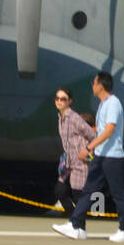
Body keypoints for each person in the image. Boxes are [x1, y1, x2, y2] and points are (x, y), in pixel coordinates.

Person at [53, 71, 124, 242]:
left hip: (112, 157)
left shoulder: (113, 104)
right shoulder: (103, 104)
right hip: (101, 155)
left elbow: (109, 130)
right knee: (88, 190)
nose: (92, 85)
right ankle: (77, 226)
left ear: (101, 86)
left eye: (94, 82)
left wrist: (89, 147)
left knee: (118, 193)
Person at [54, 86, 96, 216]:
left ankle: (78, 224)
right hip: (67, 162)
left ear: (69, 101)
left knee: (78, 195)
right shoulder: (60, 118)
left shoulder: (75, 118)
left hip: (80, 162)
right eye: (57, 98)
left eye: (63, 99)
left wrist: (88, 150)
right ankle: (73, 218)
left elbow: (93, 135)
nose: (59, 101)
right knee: (60, 191)